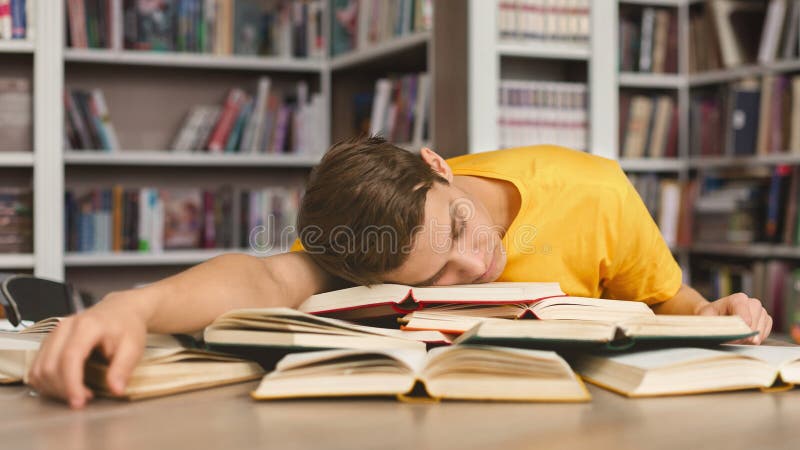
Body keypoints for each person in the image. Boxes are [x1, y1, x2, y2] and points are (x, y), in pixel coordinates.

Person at [27, 137, 773, 408]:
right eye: (441, 275)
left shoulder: (595, 191)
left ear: (436, 165)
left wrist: (718, 314)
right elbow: (261, 281)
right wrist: (131, 307)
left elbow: (674, 303)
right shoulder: (367, 236)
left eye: (459, 227)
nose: (475, 264)